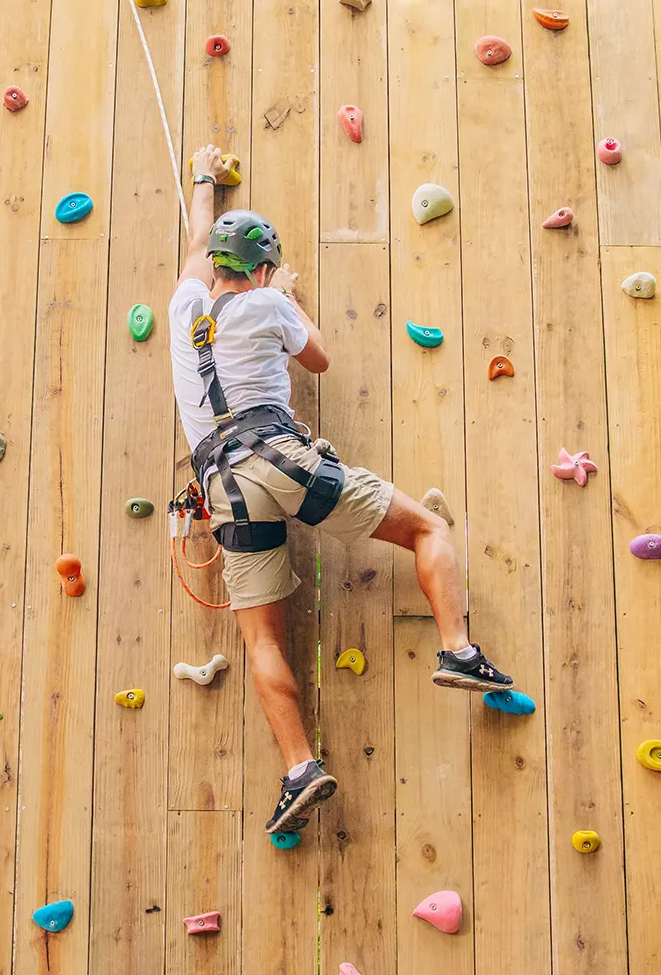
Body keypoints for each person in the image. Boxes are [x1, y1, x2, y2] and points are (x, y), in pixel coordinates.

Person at [168, 143, 517, 837]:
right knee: (427, 529)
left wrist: (203, 180)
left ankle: (300, 768)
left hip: (224, 489)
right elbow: (319, 360)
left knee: (263, 641)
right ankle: (458, 651)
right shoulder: (271, 301)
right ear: (263, 268)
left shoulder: (185, 309)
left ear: (214, 268)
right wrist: (288, 297)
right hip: (280, 459)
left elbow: (194, 243)